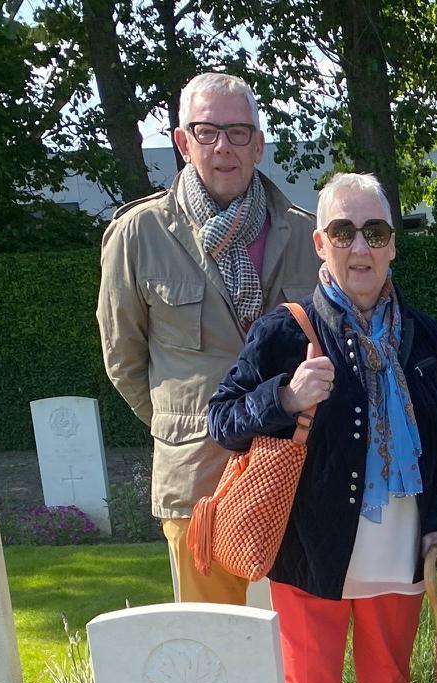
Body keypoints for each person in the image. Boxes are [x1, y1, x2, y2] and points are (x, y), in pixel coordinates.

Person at [207, 172, 437, 683]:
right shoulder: (285, 329)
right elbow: (223, 419)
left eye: (375, 232)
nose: (361, 247)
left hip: (401, 542)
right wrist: (285, 395)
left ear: (393, 245)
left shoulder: (423, 334)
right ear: (320, 243)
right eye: (344, 232)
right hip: (312, 549)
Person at [99, 71, 319, 604]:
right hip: (198, 479)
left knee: (300, 643)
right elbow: (123, 358)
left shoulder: (306, 235)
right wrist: (188, 424)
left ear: (258, 145)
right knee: (214, 643)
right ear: (182, 141)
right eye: (207, 131)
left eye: (238, 132)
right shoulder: (139, 235)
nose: (224, 146)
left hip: (297, 468)